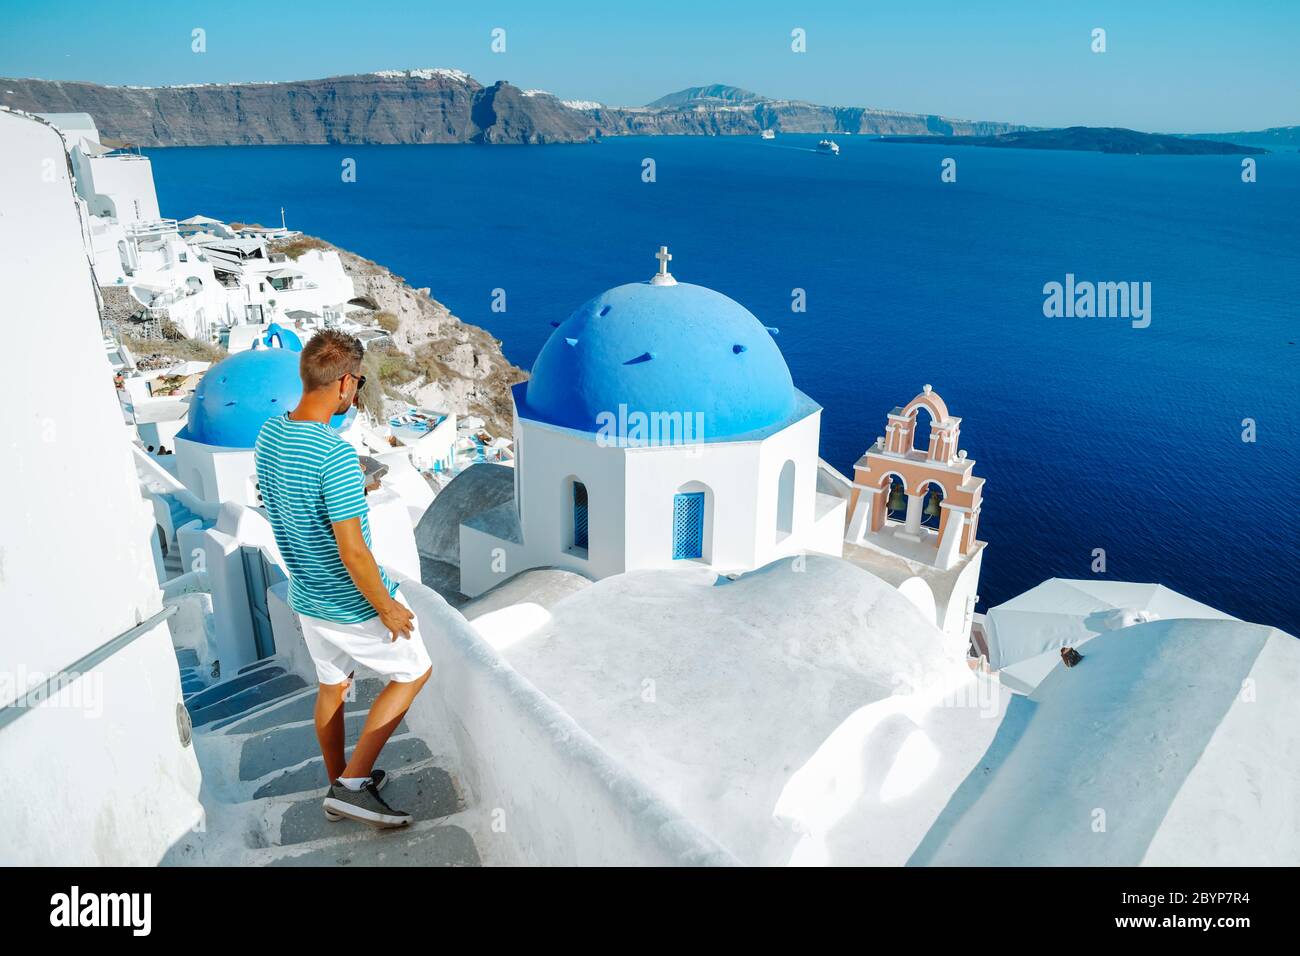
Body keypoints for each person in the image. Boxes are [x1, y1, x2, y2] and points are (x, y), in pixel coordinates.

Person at [254, 329, 431, 828]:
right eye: (360, 382)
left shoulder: (269, 433)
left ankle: (339, 787)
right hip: (347, 601)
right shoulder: (333, 456)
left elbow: (291, 489)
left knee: (333, 687)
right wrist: (386, 607)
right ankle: (353, 786)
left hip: (305, 595)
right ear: (346, 383)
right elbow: (352, 550)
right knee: (414, 670)